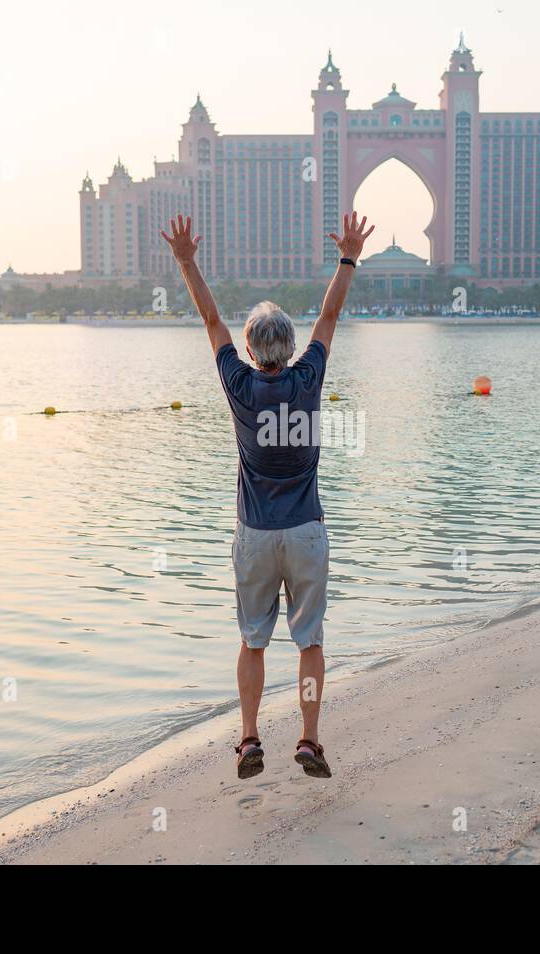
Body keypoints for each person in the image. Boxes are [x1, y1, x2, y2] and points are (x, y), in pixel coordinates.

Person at [160, 210, 374, 779]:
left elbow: (210, 320)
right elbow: (331, 313)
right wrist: (347, 257)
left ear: (253, 351)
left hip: (255, 536)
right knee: (309, 642)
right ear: (291, 347)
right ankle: (307, 741)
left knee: (253, 642)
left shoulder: (240, 384)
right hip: (305, 532)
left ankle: (250, 737)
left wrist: (186, 262)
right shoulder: (308, 380)